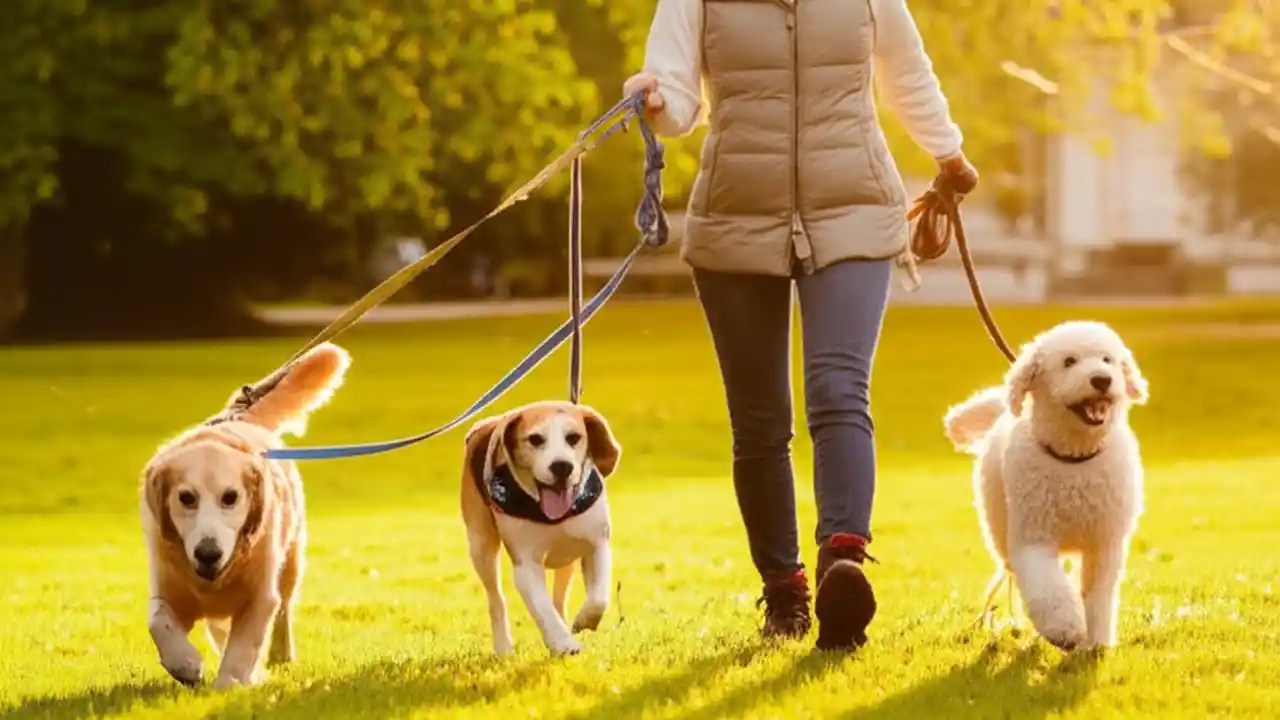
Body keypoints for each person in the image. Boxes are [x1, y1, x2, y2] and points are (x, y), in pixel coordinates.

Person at [624, 0, 979, 651]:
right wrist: (653, 100)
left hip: (853, 206)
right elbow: (678, 97)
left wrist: (948, 154)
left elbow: (906, 70)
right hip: (737, 214)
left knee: (839, 389)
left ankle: (841, 561)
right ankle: (785, 593)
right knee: (759, 418)